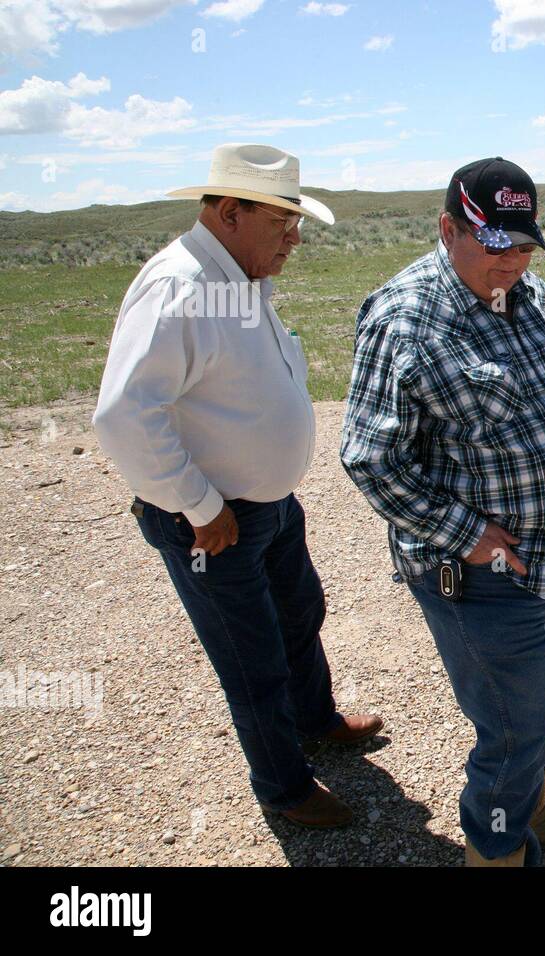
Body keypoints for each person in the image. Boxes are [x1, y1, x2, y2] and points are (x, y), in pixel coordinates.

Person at [93, 143, 382, 829]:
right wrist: (199, 504)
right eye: (282, 220)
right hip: (213, 523)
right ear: (229, 212)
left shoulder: (235, 279)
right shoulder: (180, 287)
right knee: (252, 658)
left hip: (269, 507)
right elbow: (125, 415)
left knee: (298, 619)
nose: (296, 235)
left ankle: (315, 721)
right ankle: (284, 788)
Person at [340, 157, 545, 865]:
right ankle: (496, 847)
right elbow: (370, 458)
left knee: (535, 702)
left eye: (524, 246)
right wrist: (468, 534)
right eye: (495, 244)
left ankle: (531, 813)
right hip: (483, 576)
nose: (513, 261)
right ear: (448, 229)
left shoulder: (524, 290)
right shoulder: (407, 320)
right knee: (513, 730)